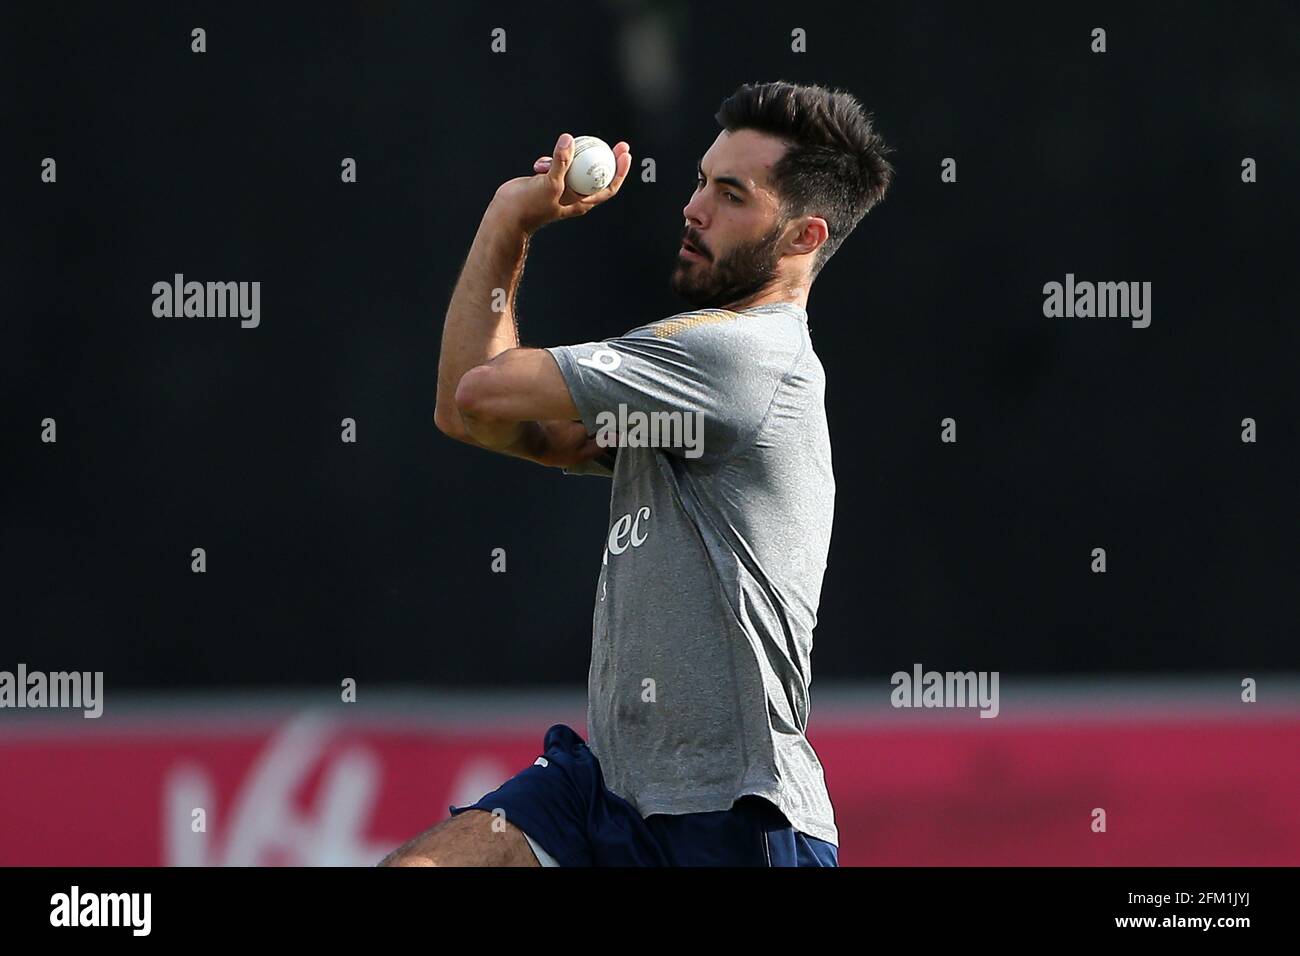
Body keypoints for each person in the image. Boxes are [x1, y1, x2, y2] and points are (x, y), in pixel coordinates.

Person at [380, 80, 893, 867]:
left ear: (802, 236)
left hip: (734, 815)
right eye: (699, 181)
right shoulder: (698, 388)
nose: (693, 208)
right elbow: (468, 414)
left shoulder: (742, 356)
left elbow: (481, 387)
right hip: (608, 793)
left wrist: (517, 220)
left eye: (730, 195)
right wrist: (501, 216)